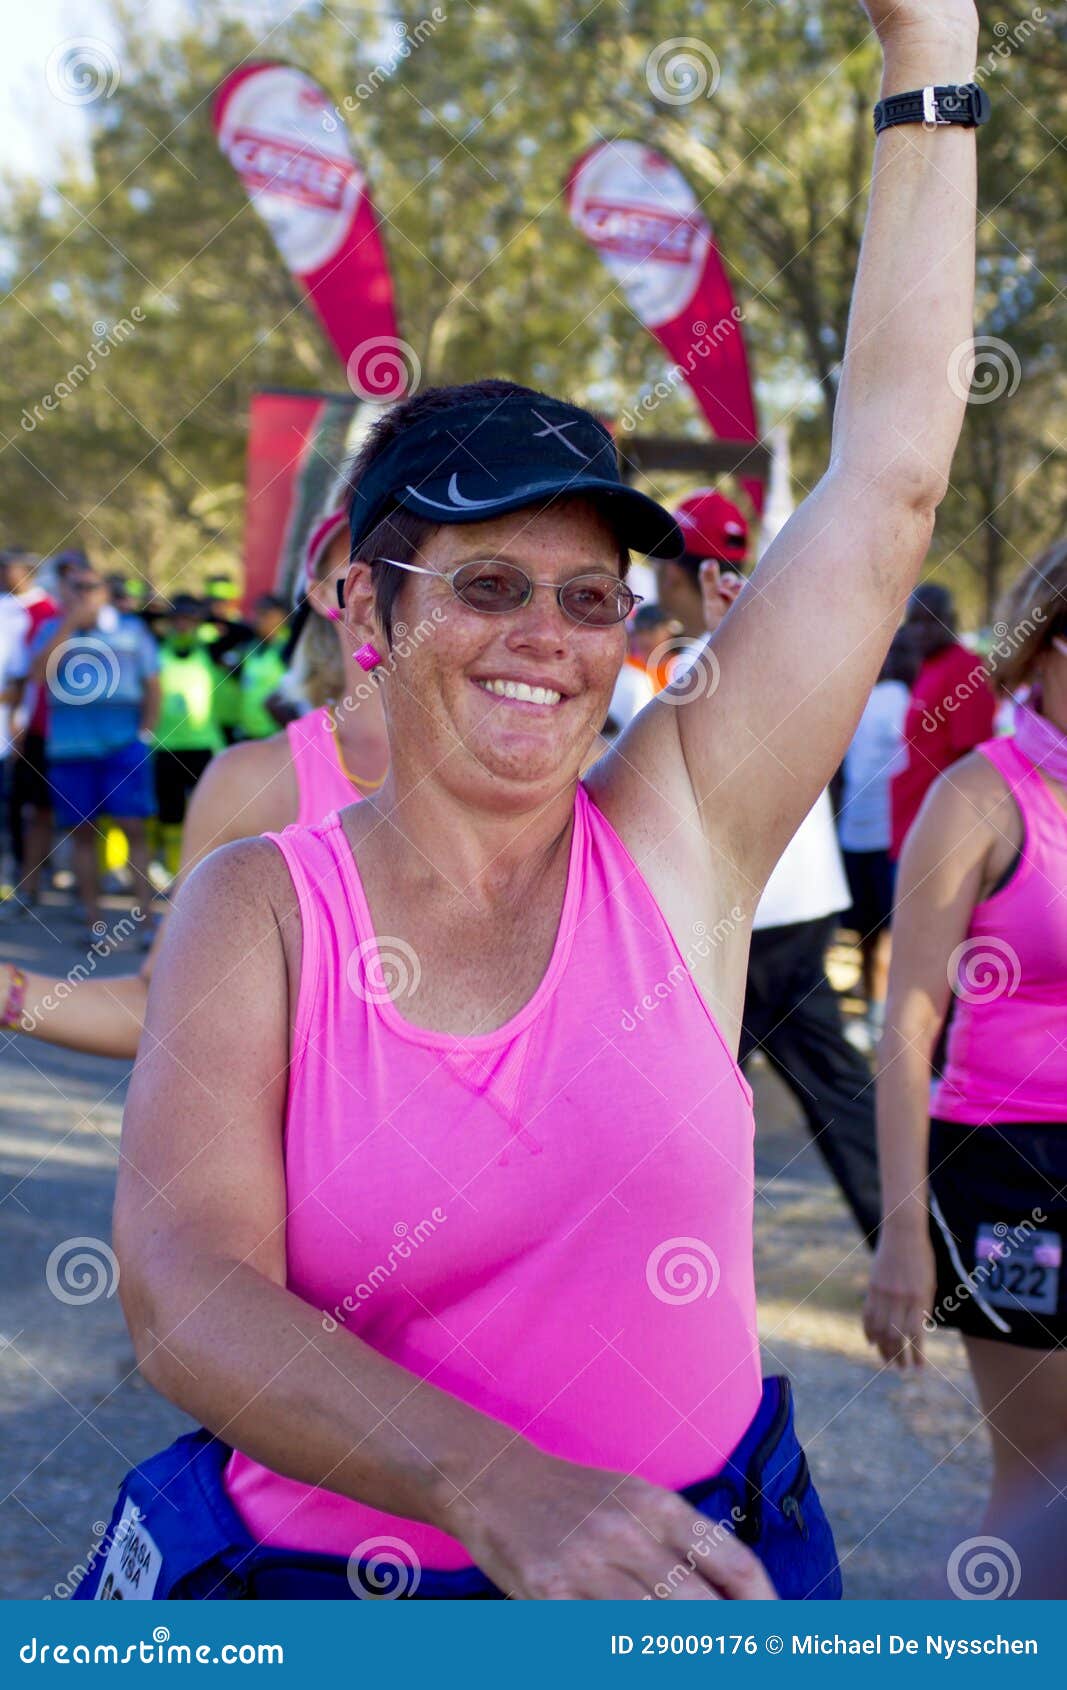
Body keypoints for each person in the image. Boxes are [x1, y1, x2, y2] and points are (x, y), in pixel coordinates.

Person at [88, 9, 982, 1595]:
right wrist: (498, 1485)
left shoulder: (677, 828)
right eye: (486, 584)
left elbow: (891, 476)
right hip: (350, 1600)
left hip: (694, 1573)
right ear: (364, 606)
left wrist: (929, 49)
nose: (548, 643)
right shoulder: (265, 907)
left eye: (591, 598)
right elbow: (181, 1285)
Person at [0, 512, 388, 1058]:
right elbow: (166, 1008)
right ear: (328, 592)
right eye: (368, 555)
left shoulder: (537, 774)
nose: (398, 570)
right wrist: (10, 994)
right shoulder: (255, 782)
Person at [865, 540, 1067, 1541]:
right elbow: (905, 1022)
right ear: (1048, 646)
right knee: (1043, 1488)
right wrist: (902, 1231)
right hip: (1010, 1171)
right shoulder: (977, 798)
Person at [675, 497, 882, 1243]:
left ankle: (655, 1254)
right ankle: (909, 1236)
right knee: (831, 1084)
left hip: (744, 915)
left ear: (692, 576)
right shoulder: (790, 648)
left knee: (682, 1100)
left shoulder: (688, 667)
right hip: (804, 900)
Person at [26, 561, 160, 934]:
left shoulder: (132, 630)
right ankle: (94, 920)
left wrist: (144, 734)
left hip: (123, 749)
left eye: (91, 586)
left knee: (134, 828)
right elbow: (37, 676)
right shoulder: (52, 631)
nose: (83, 593)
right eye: (75, 587)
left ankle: (147, 921)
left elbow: (153, 684)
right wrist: (68, 626)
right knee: (81, 834)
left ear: (104, 591)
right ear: (64, 593)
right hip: (71, 752)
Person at [837, 626, 920, 1049]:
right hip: (857, 832)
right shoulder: (860, 697)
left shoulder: (901, 699)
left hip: (888, 836)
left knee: (885, 931)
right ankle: (872, 1012)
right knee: (869, 932)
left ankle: (880, 1021)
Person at [889, 581, 996, 858]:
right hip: (909, 822)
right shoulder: (928, 666)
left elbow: (971, 757)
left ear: (952, 622)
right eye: (915, 621)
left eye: (932, 620)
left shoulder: (964, 668)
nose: (922, 631)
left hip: (937, 836)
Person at [152, 595, 228, 875]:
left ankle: (202, 870)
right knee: (170, 815)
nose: (183, 625)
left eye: (189, 619)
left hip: (202, 745)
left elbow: (241, 629)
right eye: (178, 619)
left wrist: (206, 614)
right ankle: (176, 874)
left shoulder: (211, 649)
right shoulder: (157, 650)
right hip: (165, 745)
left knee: (206, 814)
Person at [0, 549, 59, 911]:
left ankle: (31, 876)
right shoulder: (8, 608)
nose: (6, 573)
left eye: (11, 567)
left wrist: (17, 720)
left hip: (35, 728)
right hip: (19, 728)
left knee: (33, 807)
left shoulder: (44, 612)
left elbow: (29, 676)